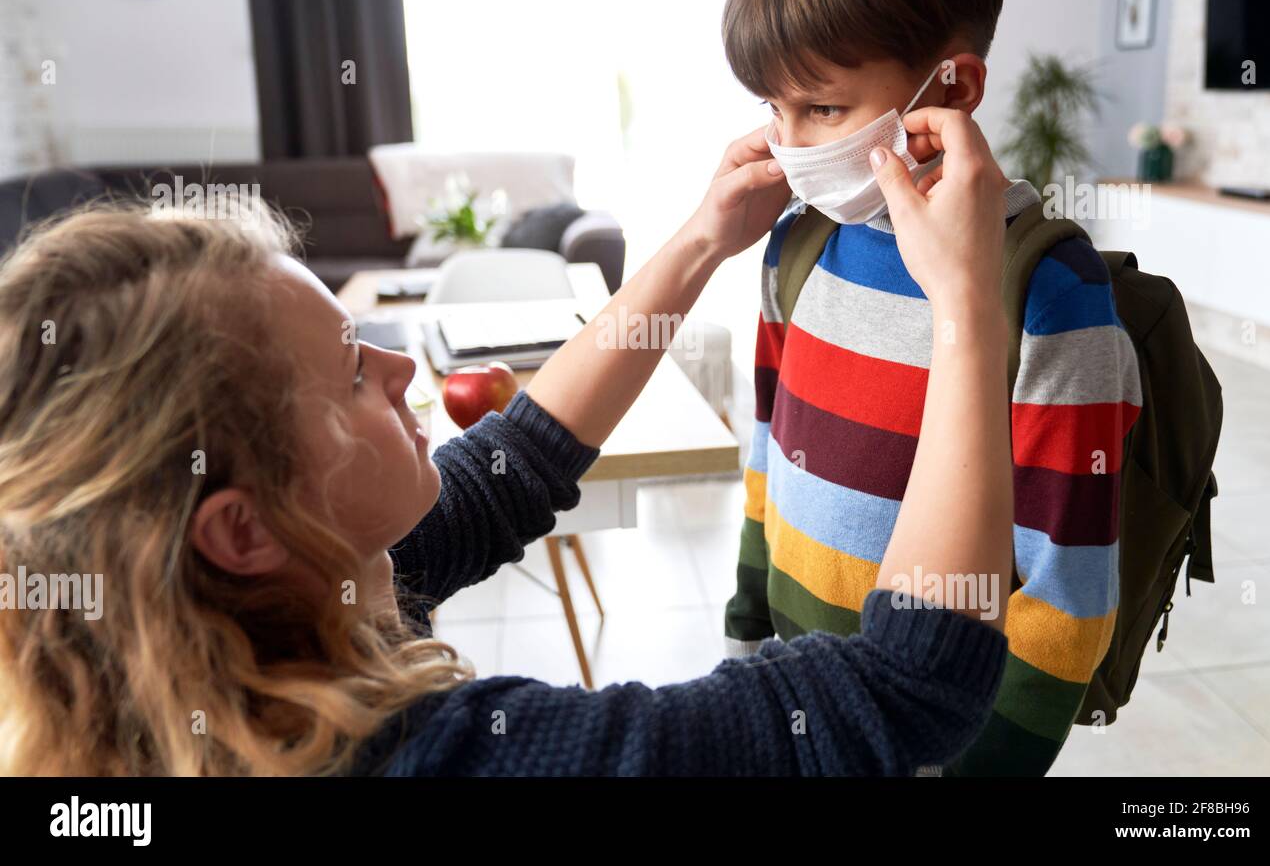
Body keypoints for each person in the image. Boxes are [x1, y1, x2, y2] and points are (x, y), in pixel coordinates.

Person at [0, 109, 1012, 777]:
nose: (402, 372)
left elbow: (505, 470)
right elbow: (906, 692)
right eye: (356, 371)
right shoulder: (451, 761)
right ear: (241, 530)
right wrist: (968, 305)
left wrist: (703, 236)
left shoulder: (221, 643)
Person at [720, 0, 1142, 775]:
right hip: (798, 708)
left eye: (823, 110)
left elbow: (1066, 599)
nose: (787, 147)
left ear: (951, 88)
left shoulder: (1051, 294)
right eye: (773, 107)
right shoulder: (798, 244)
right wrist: (749, 631)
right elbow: (767, 454)